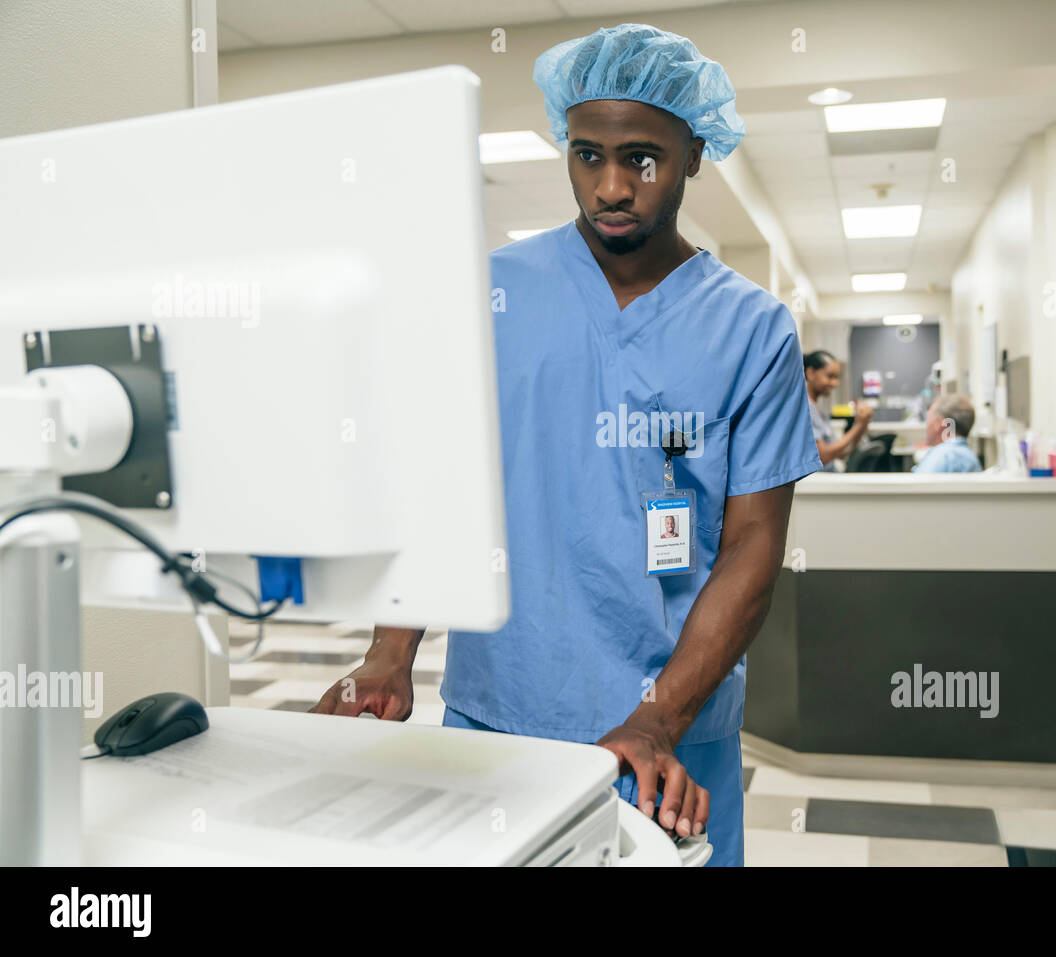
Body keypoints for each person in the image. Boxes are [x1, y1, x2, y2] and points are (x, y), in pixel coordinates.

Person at [309, 23, 821, 868]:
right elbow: (442, 487)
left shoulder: (751, 329)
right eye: (587, 155)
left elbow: (752, 548)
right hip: (498, 716)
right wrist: (389, 653)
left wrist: (660, 714)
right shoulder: (492, 293)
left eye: (643, 158)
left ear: (694, 152)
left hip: (666, 737)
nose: (612, 185)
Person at [804, 349, 872, 471]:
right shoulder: (805, 409)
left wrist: (862, 426)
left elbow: (842, 453)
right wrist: (858, 426)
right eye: (830, 376)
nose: (835, 383)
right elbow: (822, 456)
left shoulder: (820, 410)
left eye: (837, 377)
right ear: (810, 373)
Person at [912, 394, 983, 473]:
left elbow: (919, 484)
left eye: (929, 418)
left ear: (940, 423)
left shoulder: (942, 456)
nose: (927, 425)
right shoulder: (971, 458)